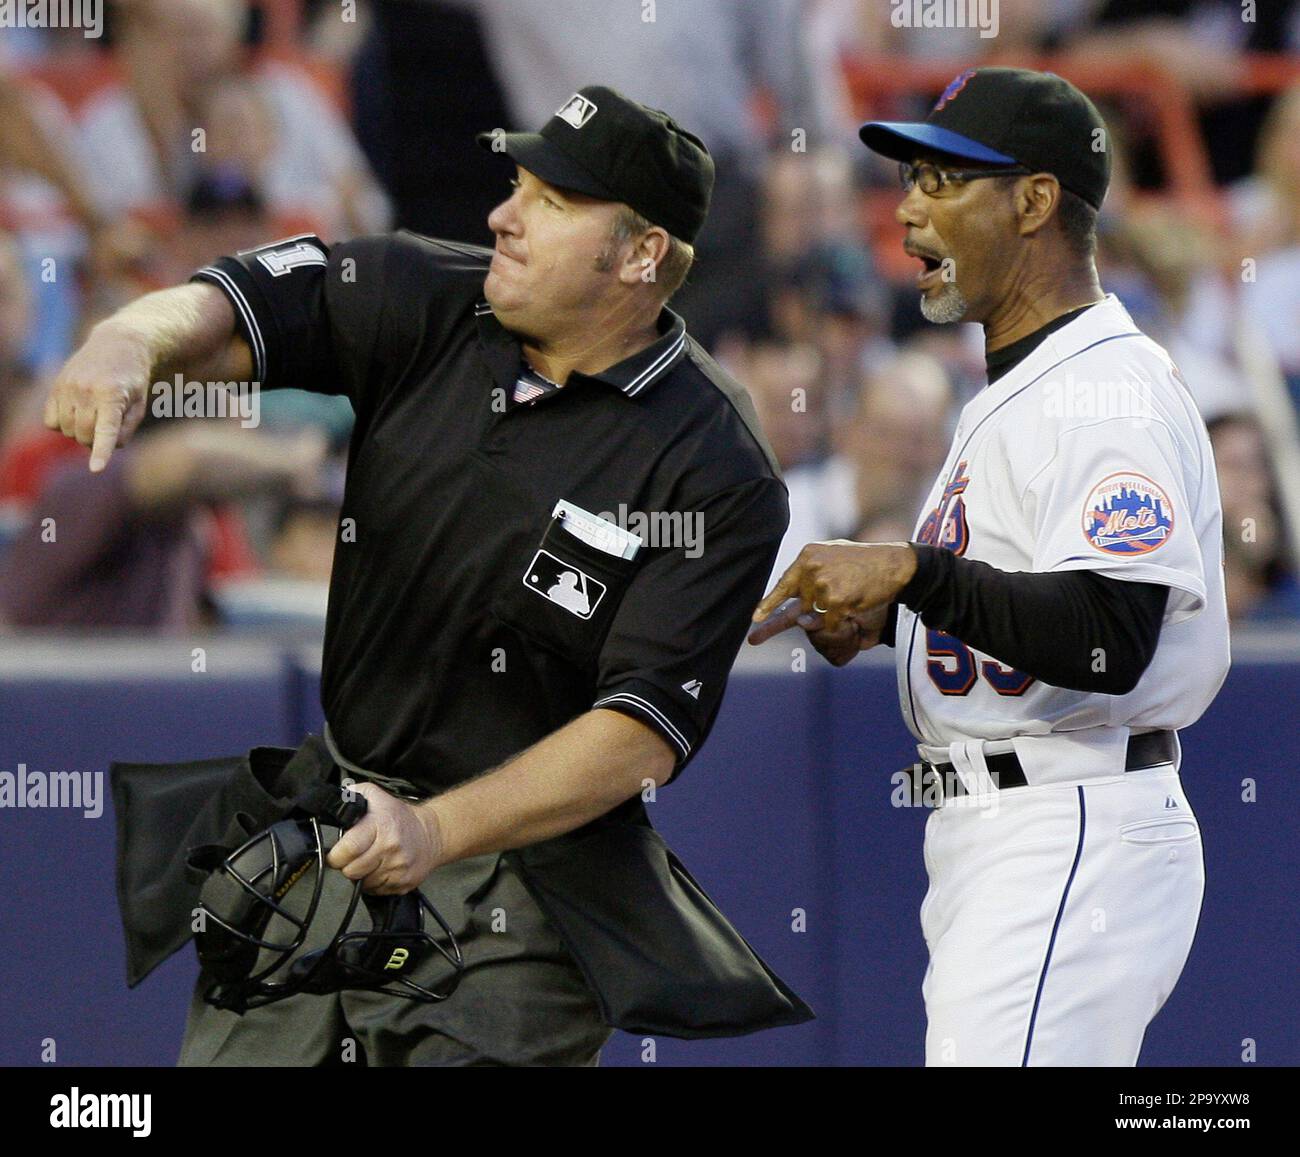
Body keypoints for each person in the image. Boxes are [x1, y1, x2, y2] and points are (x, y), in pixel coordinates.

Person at [45, 85, 809, 1065]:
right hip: (340, 825)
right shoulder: (428, 293)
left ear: (640, 254)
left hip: (521, 888)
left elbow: (638, 735)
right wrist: (127, 341)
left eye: (552, 201)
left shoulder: (713, 462)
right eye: (517, 185)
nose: (504, 214)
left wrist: (437, 828)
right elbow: (239, 302)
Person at [750, 68, 1230, 1066]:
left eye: (939, 180)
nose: (907, 208)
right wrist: (896, 620)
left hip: (1071, 814)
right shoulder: (1018, 387)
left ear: (1034, 199)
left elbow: (1109, 638)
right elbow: (1025, 606)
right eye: (907, 180)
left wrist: (912, 574)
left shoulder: (1102, 390)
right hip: (1010, 820)